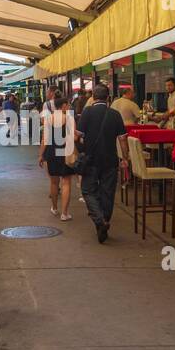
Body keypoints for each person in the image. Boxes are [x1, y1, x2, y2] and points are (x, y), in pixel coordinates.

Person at [76, 84, 128, 243]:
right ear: (108, 98)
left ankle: (100, 221)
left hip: (91, 160)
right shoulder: (115, 114)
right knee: (108, 193)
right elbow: (122, 139)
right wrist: (125, 158)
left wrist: (81, 151)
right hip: (110, 160)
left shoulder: (87, 112)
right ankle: (104, 221)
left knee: (88, 191)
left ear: (94, 97)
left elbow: (77, 137)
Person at [38, 94, 76, 221]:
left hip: (51, 152)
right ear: (64, 105)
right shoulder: (69, 119)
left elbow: (45, 139)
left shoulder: (48, 119)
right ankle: (64, 214)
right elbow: (74, 138)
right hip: (65, 152)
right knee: (66, 182)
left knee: (54, 182)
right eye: (68, 104)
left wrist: (41, 155)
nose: (69, 106)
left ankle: (54, 208)